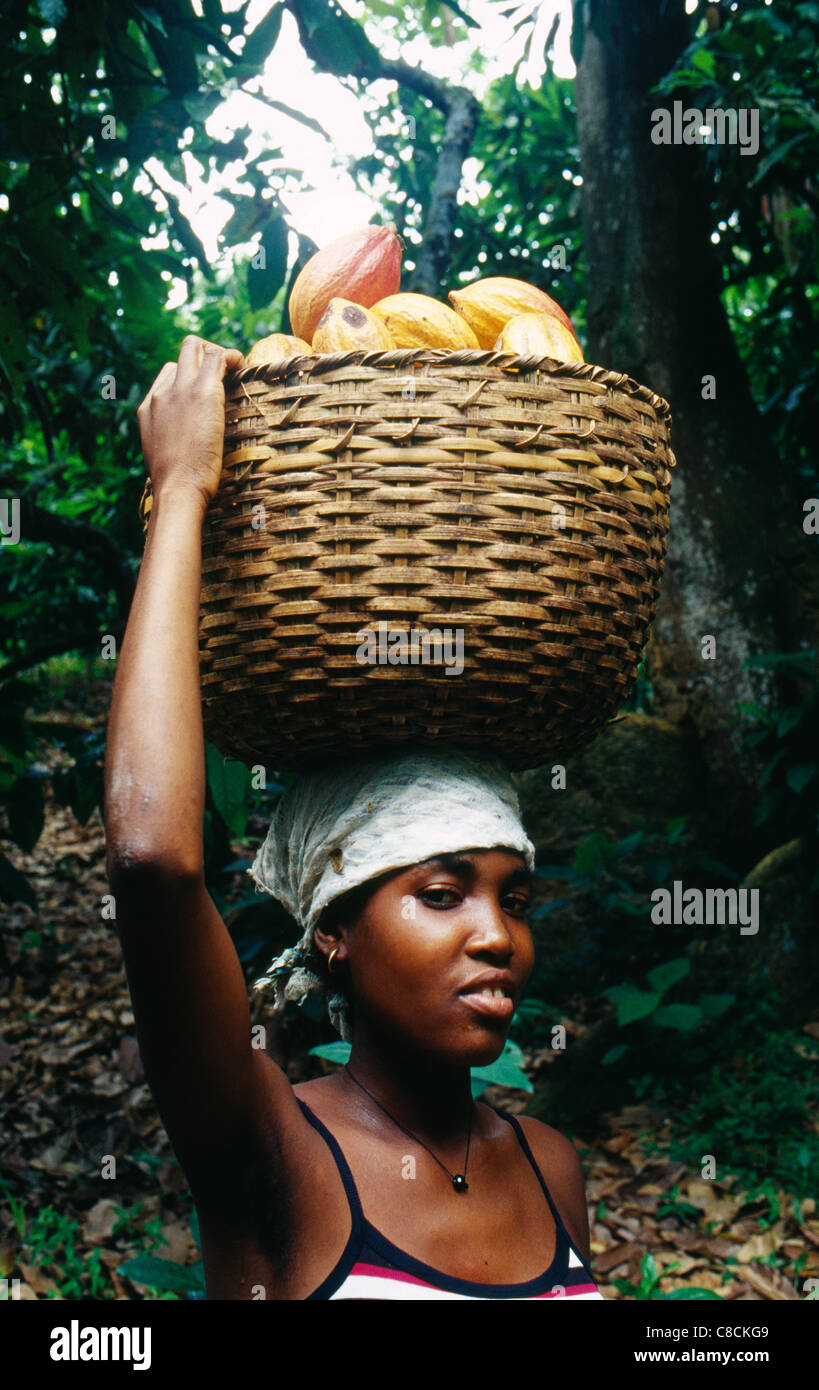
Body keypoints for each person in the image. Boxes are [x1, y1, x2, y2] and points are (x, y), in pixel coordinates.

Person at [105, 334, 603, 1301]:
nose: (497, 935)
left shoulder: (551, 1167)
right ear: (332, 929)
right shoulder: (272, 1152)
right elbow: (153, 865)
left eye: (516, 897)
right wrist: (181, 493)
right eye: (442, 892)